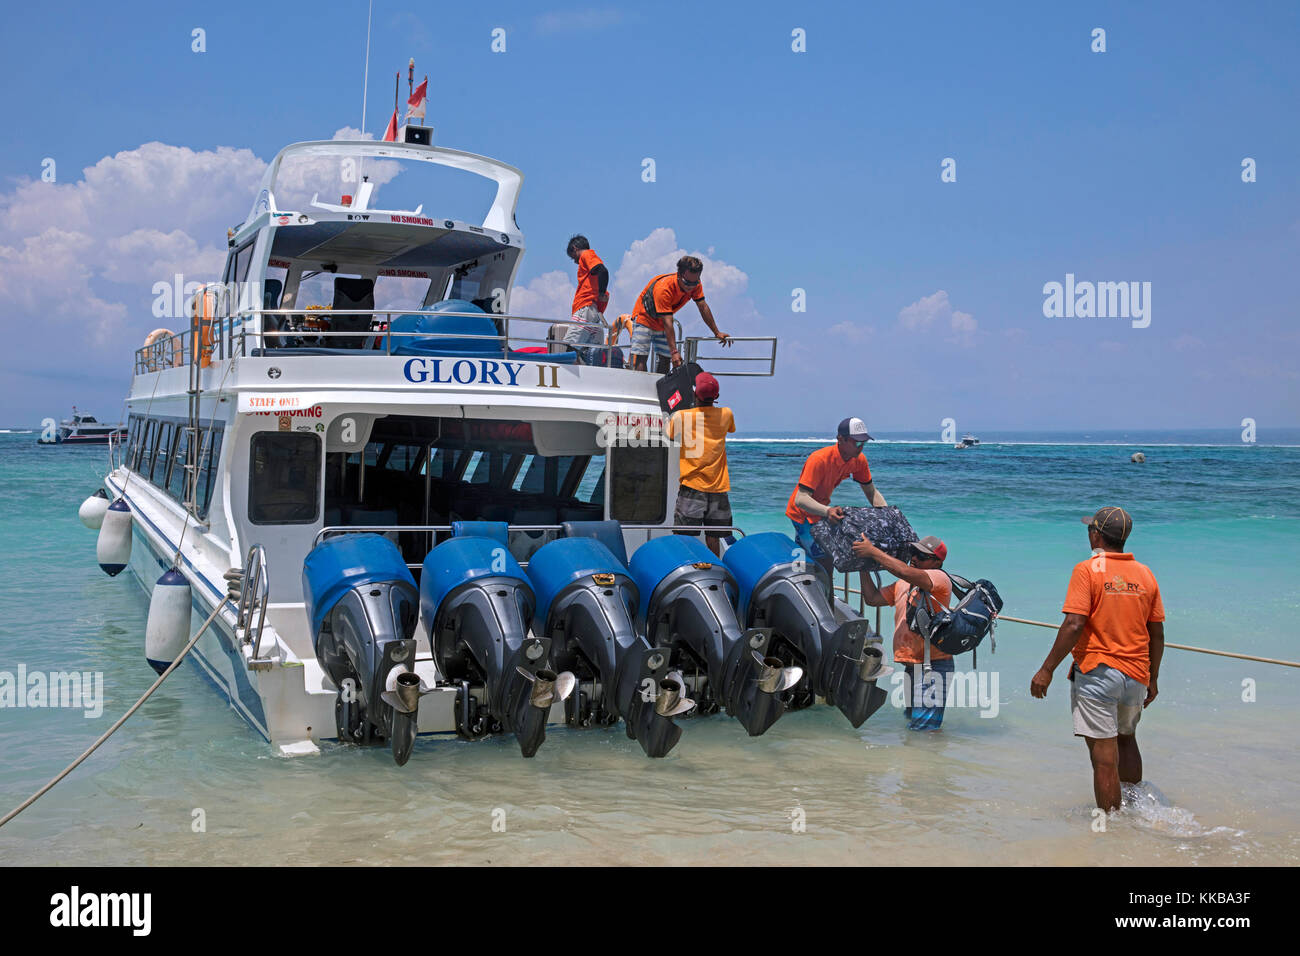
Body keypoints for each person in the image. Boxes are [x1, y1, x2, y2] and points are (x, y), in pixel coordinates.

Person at [1030, 507, 1166, 812]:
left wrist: (1046, 669)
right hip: (1136, 676)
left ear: (1096, 535)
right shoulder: (1145, 574)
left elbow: (1074, 624)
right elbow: (1156, 633)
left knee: (1103, 758)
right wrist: (1153, 678)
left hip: (1098, 673)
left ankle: (1111, 825)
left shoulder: (1087, 569)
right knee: (1127, 739)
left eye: (1089, 529)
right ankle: (1133, 808)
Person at [854, 535, 955, 730]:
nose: (915, 558)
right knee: (914, 723)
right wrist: (862, 567)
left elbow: (903, 570)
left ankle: (923, 759)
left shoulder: (938, 578)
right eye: (913, 553)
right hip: (913, 666)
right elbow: (872, 598)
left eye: (922, 556)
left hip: (933, 666)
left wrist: (872, 551)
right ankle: (919, 759)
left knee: (923, 731)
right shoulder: (904, 584)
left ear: (937, 563)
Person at [784, 417, 888, 579]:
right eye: (857, 443)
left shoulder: (858, 460)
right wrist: (828, 511)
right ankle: (825, 601)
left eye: (863, 443)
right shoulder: (818, 459)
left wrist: (888, 515)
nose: (860, 448)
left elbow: (871, 492)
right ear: (840, 439)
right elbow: (801, 499)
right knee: (825, 560)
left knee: (808, 558)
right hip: (802, 513)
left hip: (821, 511)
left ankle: (803, 584)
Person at [664, 372, 734, 556]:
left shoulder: (681, 416)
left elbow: (670, 434)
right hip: (718, 488)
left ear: (695, 394)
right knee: (714, 537)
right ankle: (716, 569)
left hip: (692, 486)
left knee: (684, 537)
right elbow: (730, 428)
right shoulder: (726, 414)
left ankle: (686, 569)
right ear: (716, 397)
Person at [629, 256, 731, 373]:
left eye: (695, 283)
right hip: (644, 318)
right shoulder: (664, 289)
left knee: (665, 357)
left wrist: (716, 332)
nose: (690, 287)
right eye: (687, 283)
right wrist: (674, 352)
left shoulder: (695, 285)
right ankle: (642, 388)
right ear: (678, 275)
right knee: (641, 357)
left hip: (662, 321)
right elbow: (668, 322)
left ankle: (662, 388)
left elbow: (702, 307)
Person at [564, 235, 610, 364]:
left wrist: (601, 292)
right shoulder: (588, 260)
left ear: (575, 248)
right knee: (587, 352)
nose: (575, 262)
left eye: (573, 257)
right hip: (593, 311)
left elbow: (603, 270)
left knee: (571, 347)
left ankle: (569, 379)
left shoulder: (586, 255)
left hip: (586, 307)